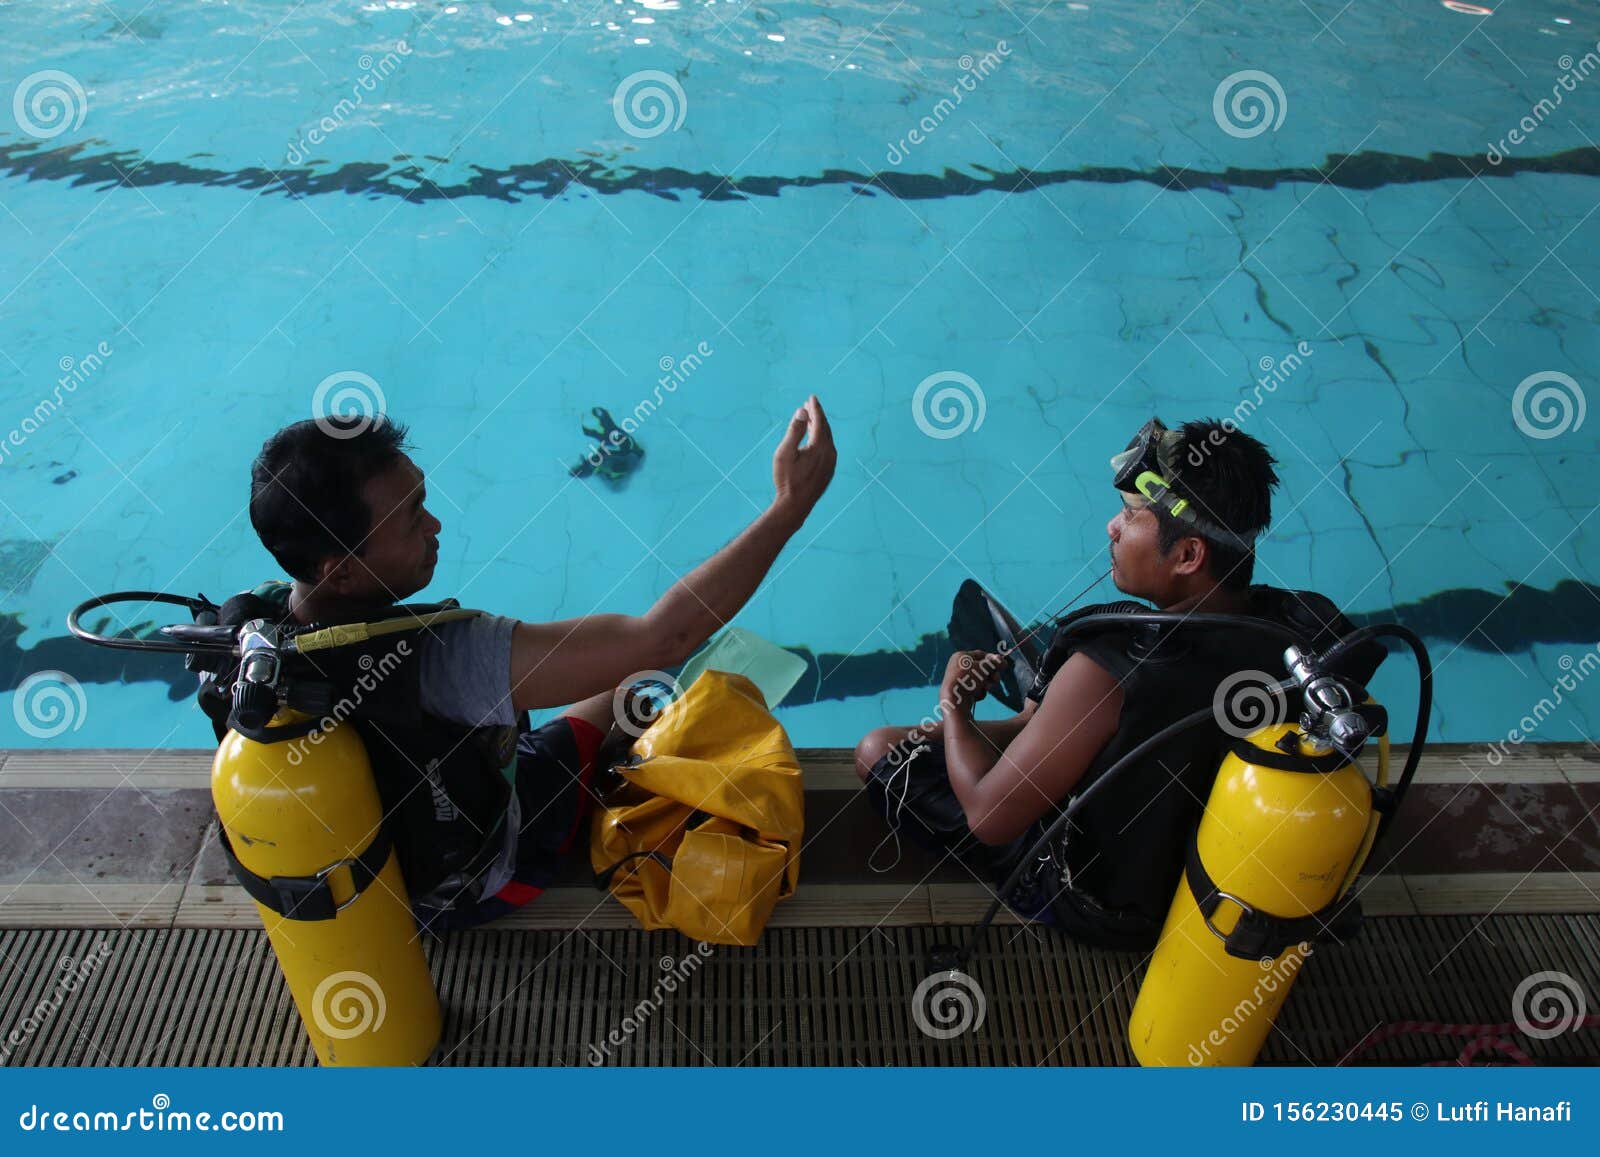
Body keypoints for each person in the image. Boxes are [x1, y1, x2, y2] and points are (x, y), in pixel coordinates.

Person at [232, 396, 835, 933]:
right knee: (643, 680)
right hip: (481, 880)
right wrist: (789, 506)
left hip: (371, 886)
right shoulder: (441, 658)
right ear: (341, 568)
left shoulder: (250, 641)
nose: (435, 525)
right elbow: (665, 637)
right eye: (414, 516)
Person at [853, 417, 1377, 952]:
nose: (1113, 527)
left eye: (1130, 516)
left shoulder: (1107, 666)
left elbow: (989, 817)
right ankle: (1048, 712)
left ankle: (1043, 711)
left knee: (882, 751)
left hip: (1107, 910)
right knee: (1060, 721)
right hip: (1214, 899)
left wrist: (956, 710)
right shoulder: (1306, 640)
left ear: (1188, 555)